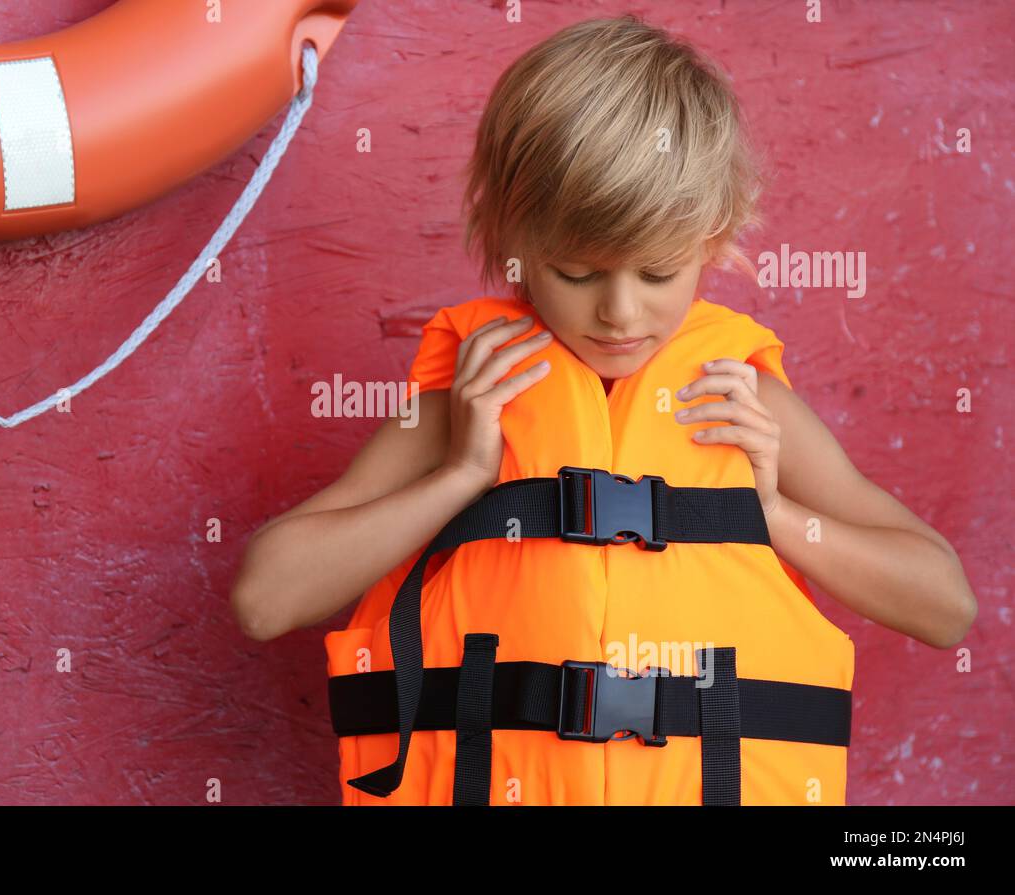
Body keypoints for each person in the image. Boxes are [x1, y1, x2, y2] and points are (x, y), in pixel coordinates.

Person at [229, 16, 977, 805]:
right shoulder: (471, 403)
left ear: (713, 237)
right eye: (577, 273)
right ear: (510, 237)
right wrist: (458, 477)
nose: (620, 312)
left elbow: (947, 605)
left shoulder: (745, 404)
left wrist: (775, 514)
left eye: (658, 272)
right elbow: (263, 598)